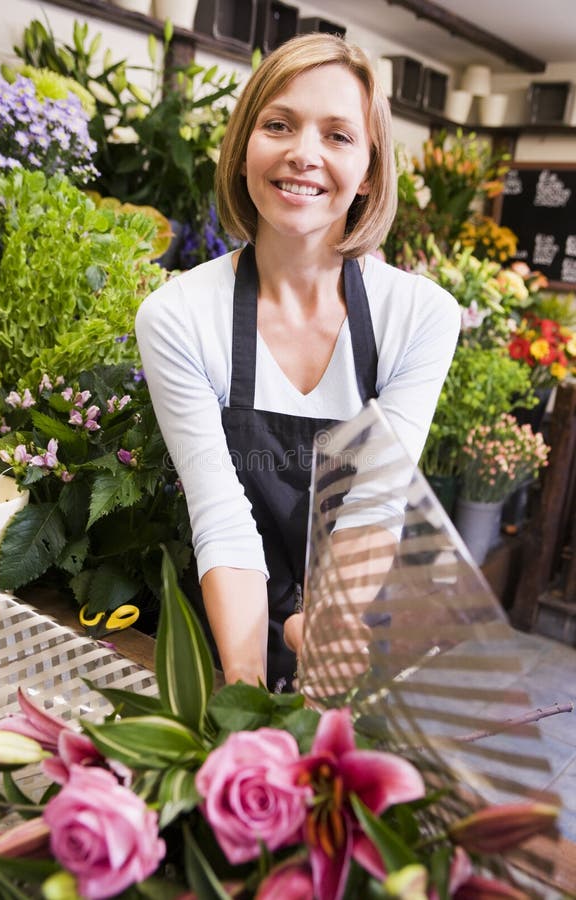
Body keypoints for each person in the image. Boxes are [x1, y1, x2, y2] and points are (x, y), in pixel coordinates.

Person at [135, 33, 460, 693]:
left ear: (370, 169)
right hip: (228, 619)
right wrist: (247, 689)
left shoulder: (419, 316)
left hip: (357, 624)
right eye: (278, 125)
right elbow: (221, 511)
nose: (303, 155)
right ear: (243, 147)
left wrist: (325, 636)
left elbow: (372, 503)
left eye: (338, 136)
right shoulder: (179, 317)